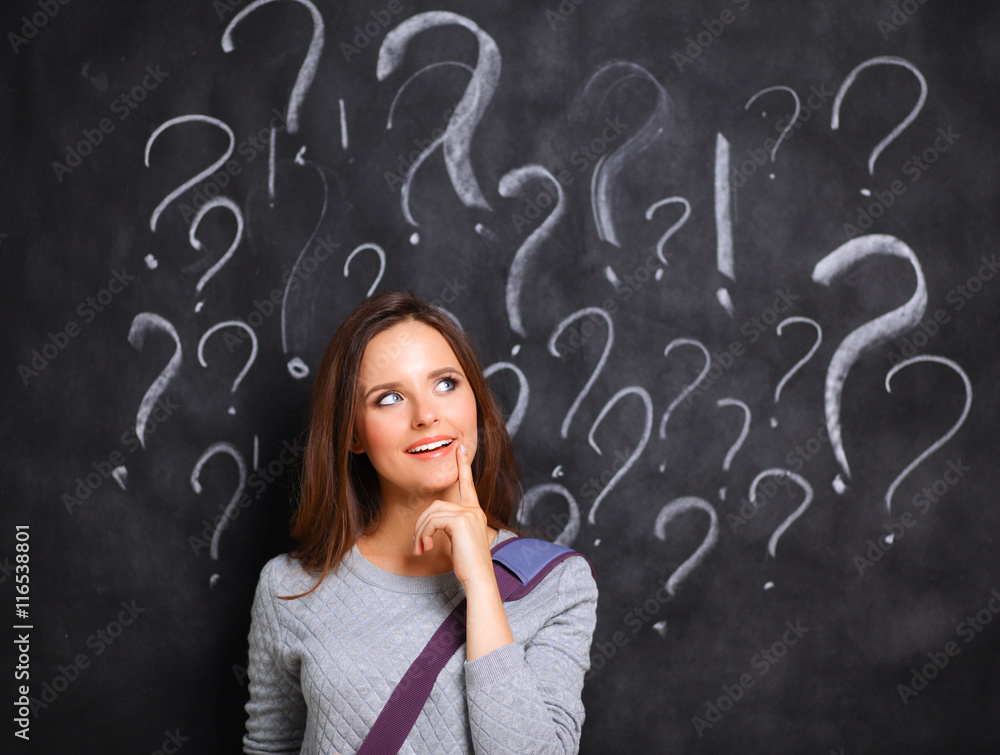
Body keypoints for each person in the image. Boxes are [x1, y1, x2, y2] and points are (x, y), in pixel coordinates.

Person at [243, 291, 598, 755]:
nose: (427, 415)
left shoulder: (558, 586)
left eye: (446, 384)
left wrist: (481, 584)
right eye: (389, 398)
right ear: (353, 434)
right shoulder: (289, 588)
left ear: (475, 400)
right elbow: (270, 748)